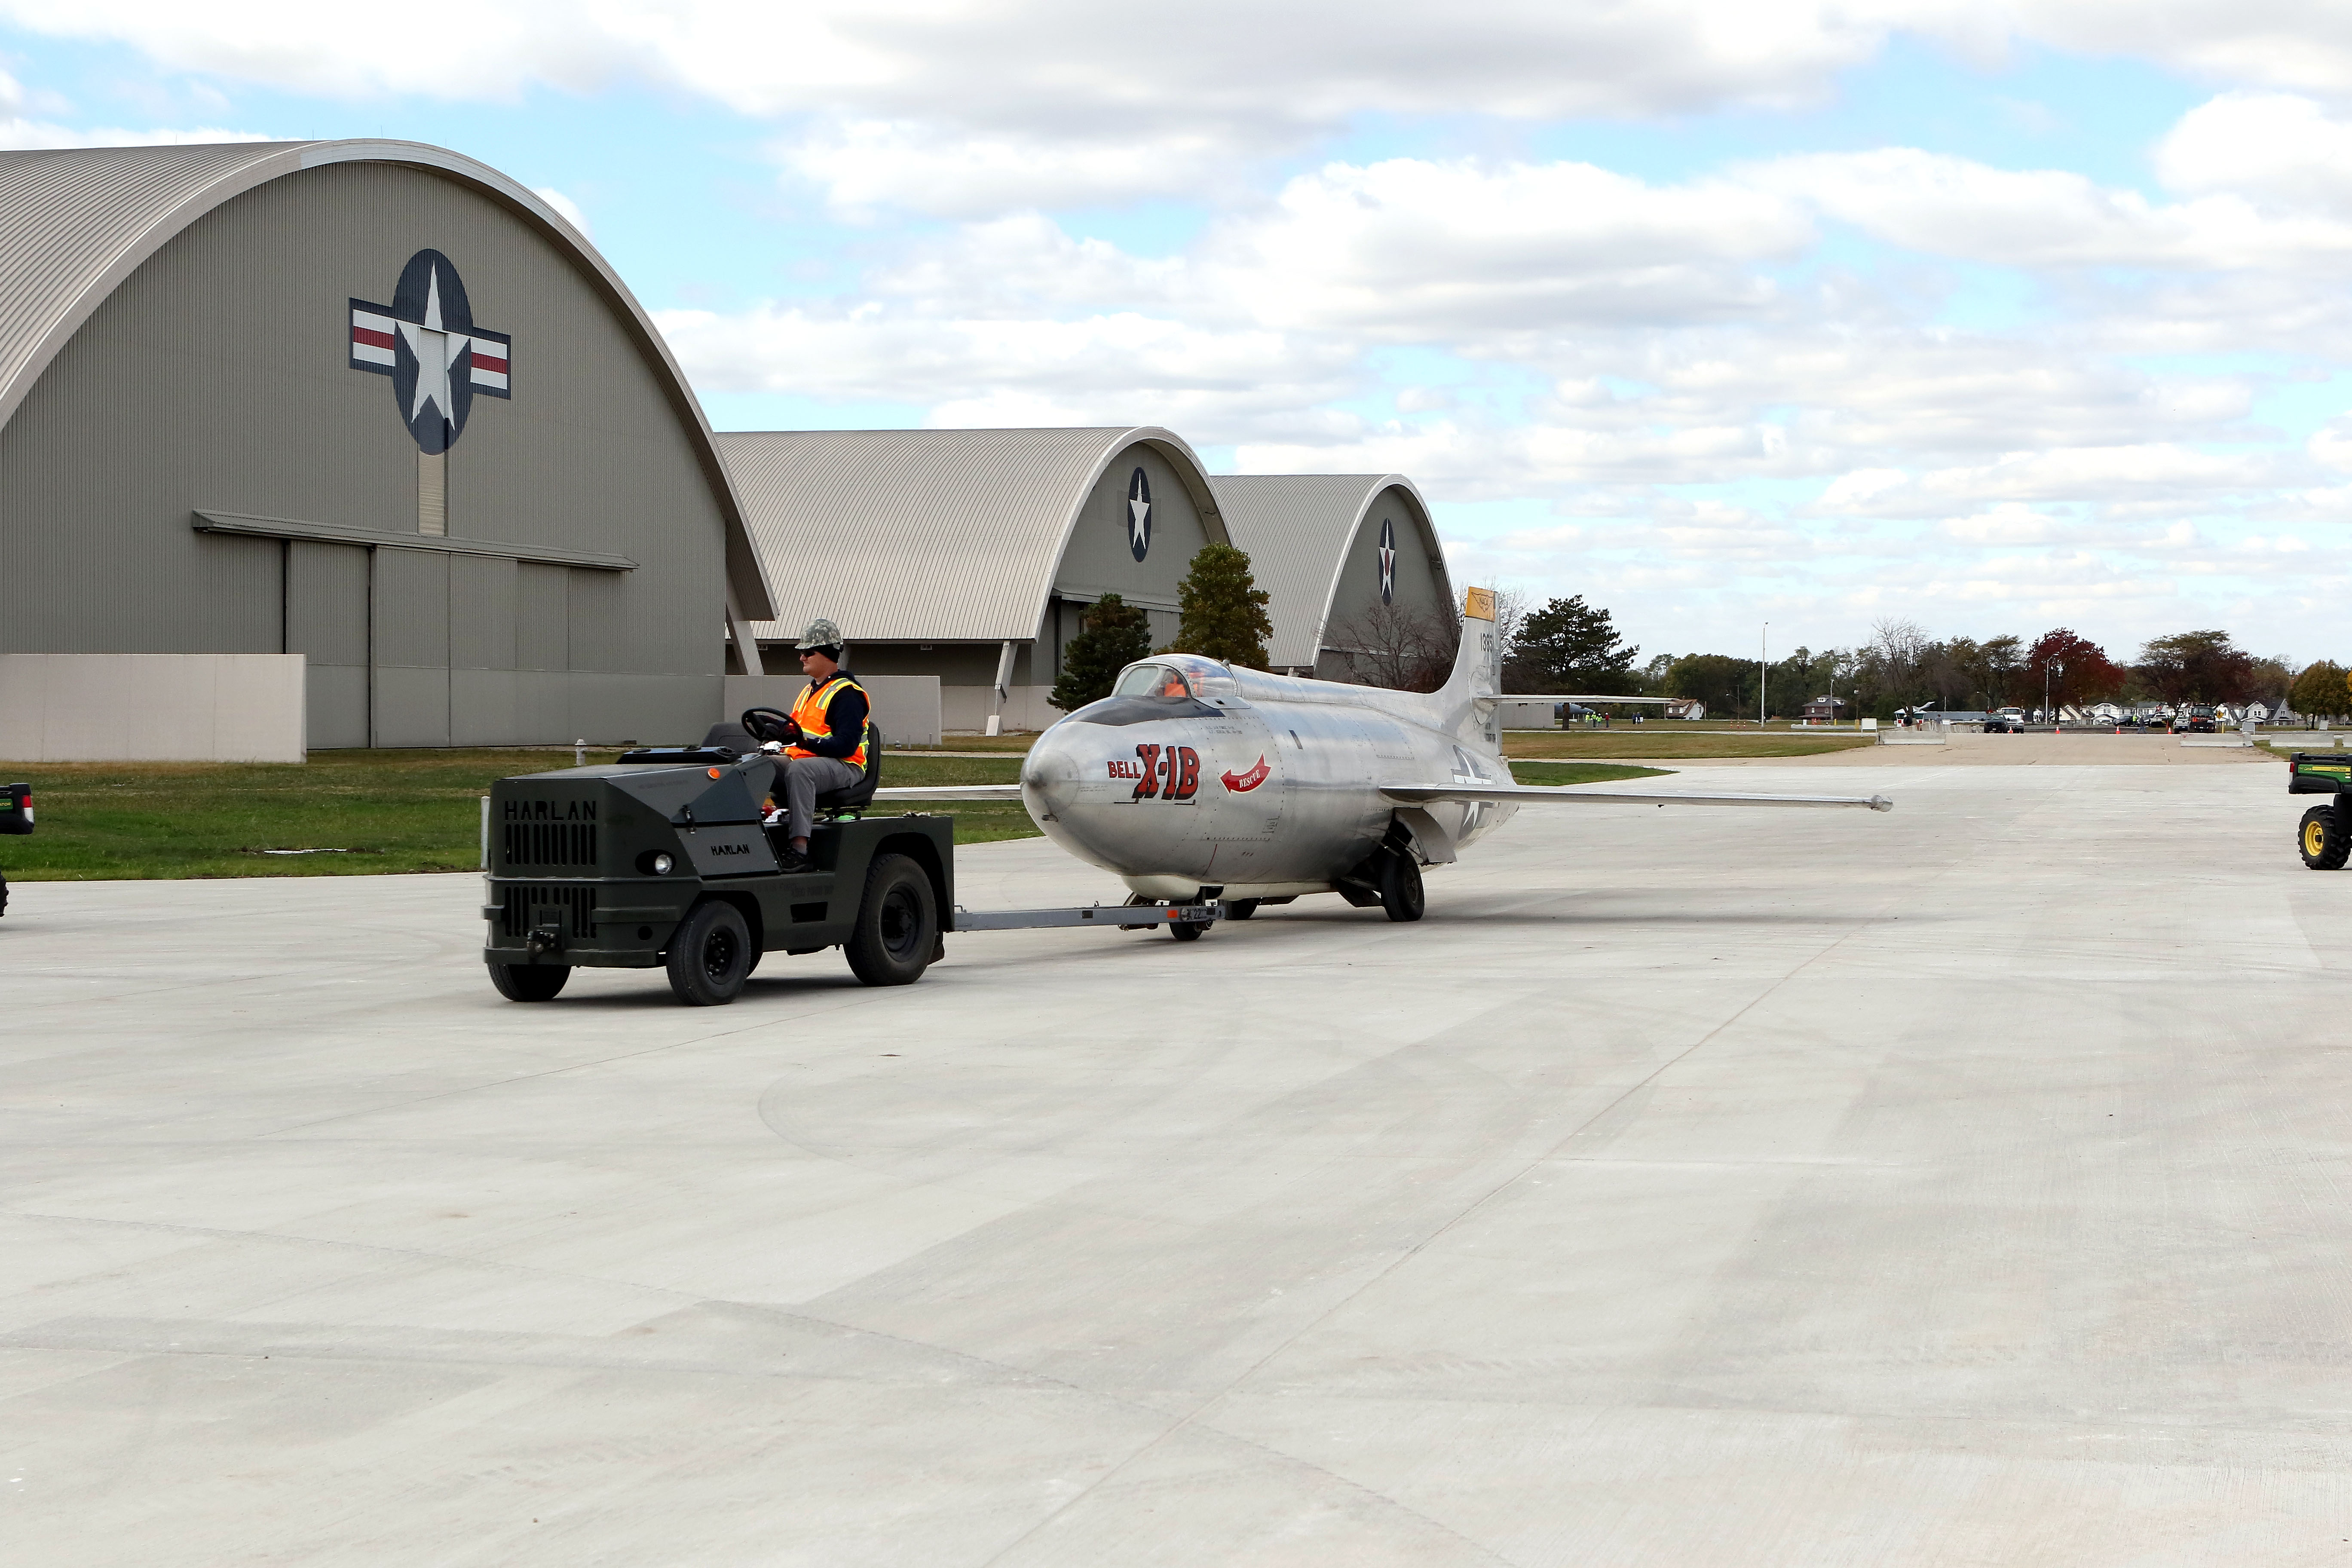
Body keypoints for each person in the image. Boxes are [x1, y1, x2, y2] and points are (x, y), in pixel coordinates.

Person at [764, 619, 869, 873]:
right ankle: (748, 836)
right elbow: (799, 733)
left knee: (801, 771)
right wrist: (777, 733)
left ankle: (799, 850)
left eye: (808, 652)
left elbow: (845, 746)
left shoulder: (847, 695)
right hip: (807, 760)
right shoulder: (809, 691)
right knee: (753, 766)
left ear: (828, 655)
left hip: (846, 766)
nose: (802, 657)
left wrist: (804, 741)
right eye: (801, 652)